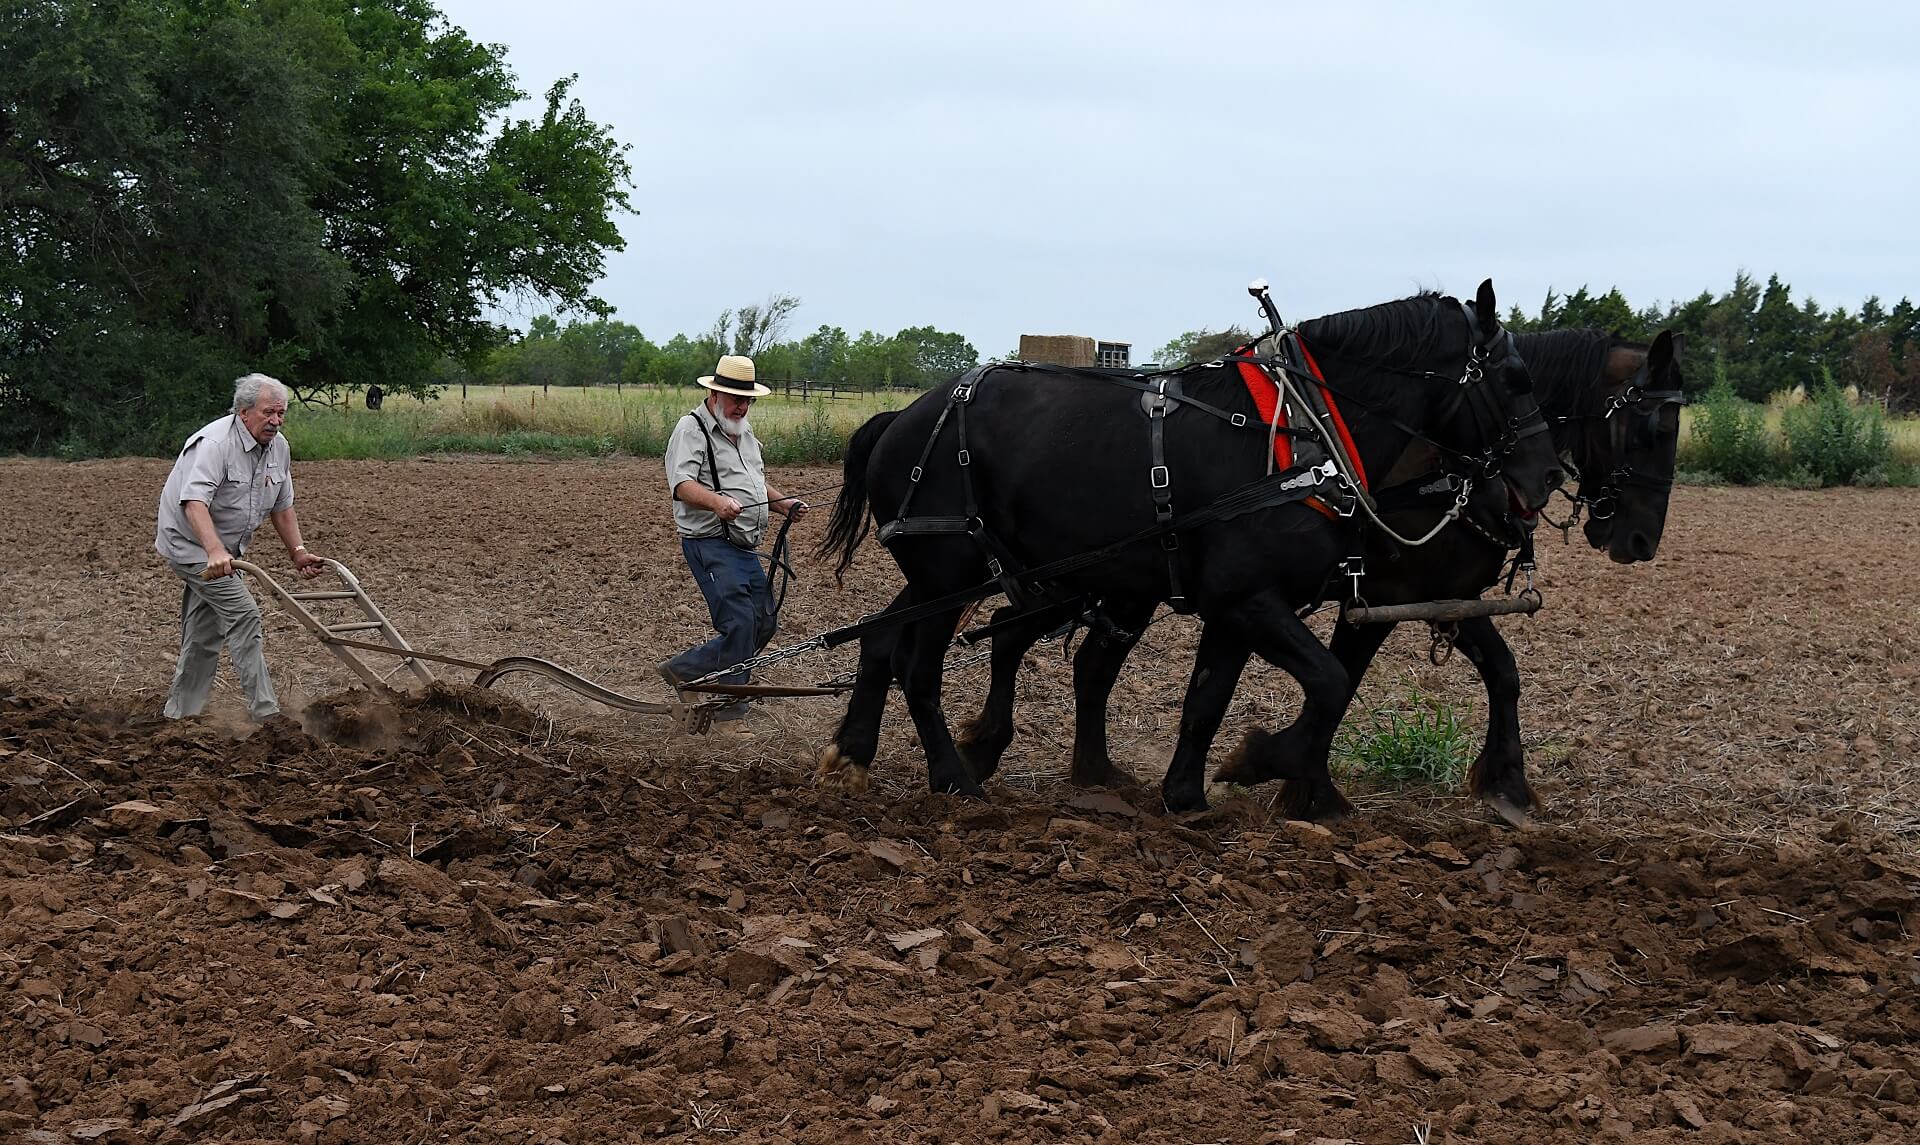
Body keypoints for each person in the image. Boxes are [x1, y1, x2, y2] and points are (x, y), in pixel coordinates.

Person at [154, 373, 325, 721]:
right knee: (244, 614)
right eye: (268, 412)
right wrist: (214, 551)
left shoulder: (279, 447)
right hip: (190, 543)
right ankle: (266, 713)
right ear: (243, 412)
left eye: (281, 413)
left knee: (204, 632)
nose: (276, 421)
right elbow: (194, 503)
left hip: (225, 551)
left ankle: (181, 715)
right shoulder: (215, 444)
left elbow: (282, 506)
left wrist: (298, 552)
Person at [659, 355, 809, 738]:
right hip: (709, 542)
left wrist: (784, 504)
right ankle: (730, 714)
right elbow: (681, 485)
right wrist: (716, 502)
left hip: (742, 546)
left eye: (747, 400)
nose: (742, 407)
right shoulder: (691, 429)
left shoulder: (743, 431)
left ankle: (684, 671)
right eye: (735, 399)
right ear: (714, 394)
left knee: (764, 622)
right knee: (740, 624)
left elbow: (754, 483)